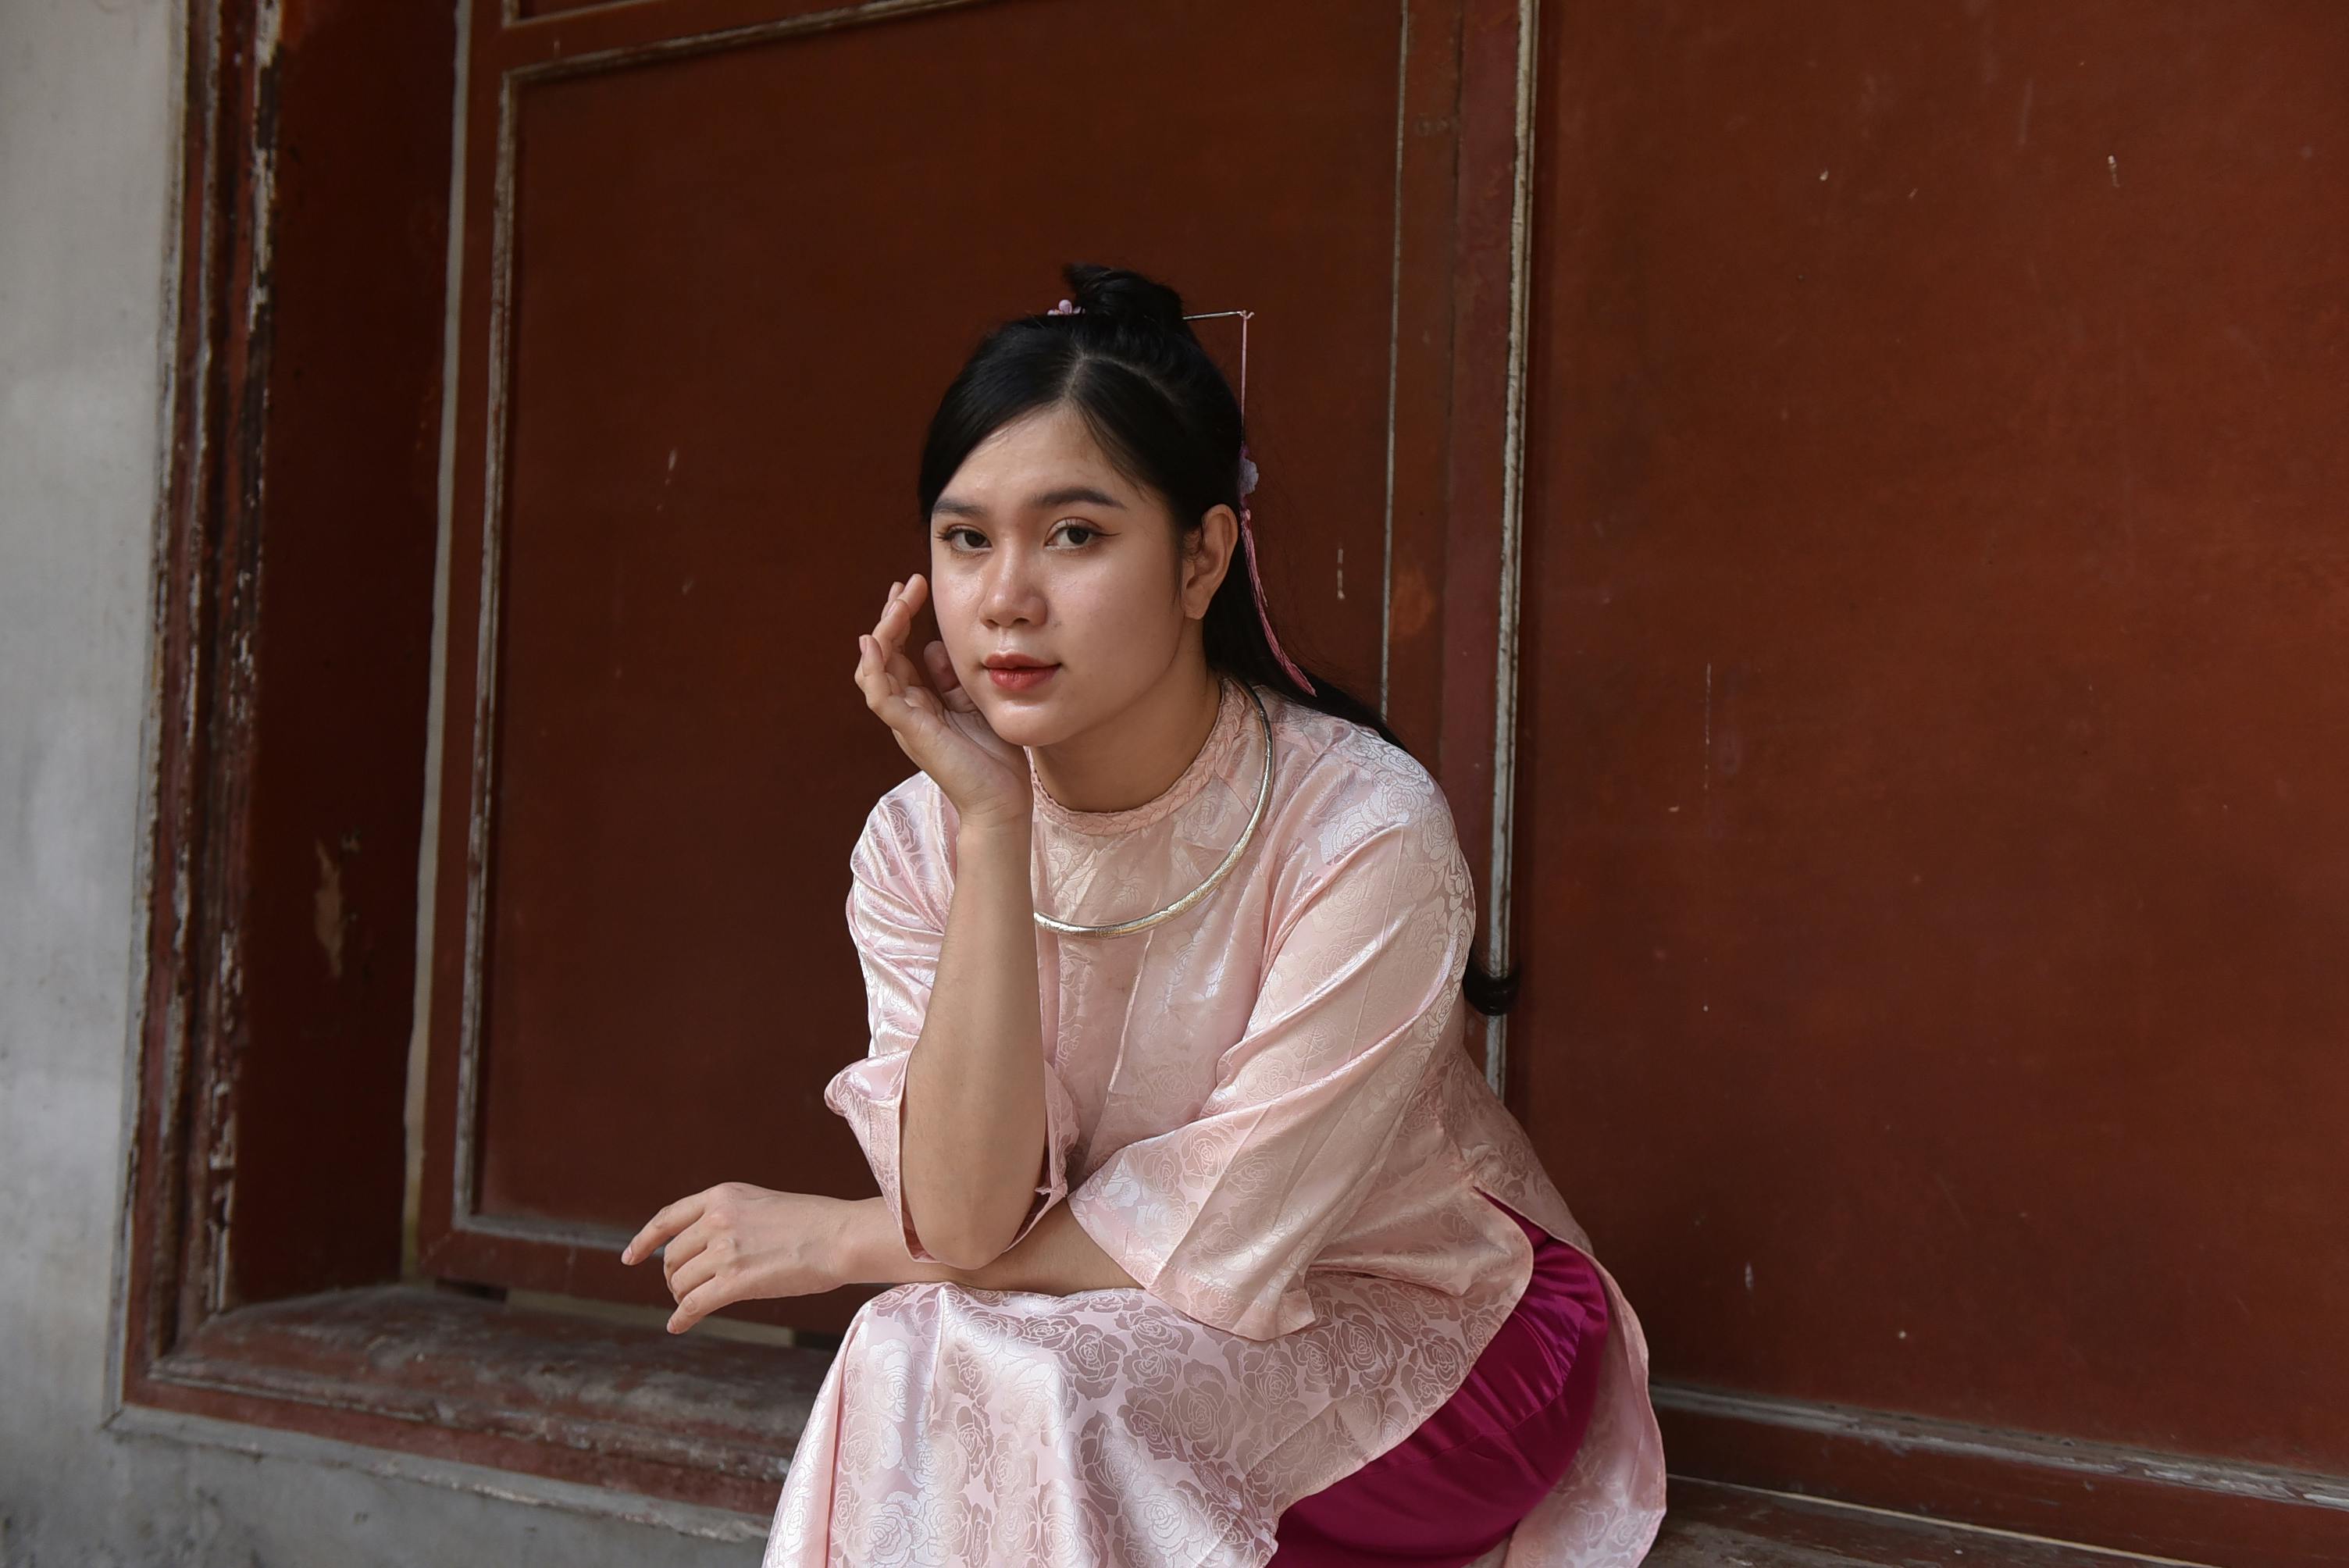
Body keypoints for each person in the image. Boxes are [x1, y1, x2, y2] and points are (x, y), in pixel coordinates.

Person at [622, 263, 1666, 1566]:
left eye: (1074, 534)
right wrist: (994, 826)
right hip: (1131, 1315)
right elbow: (967, 1223)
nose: (1006, 596)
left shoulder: (1359, 829)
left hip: (1443, 1327)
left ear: (1202, 557)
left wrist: (843, 1238)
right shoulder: (918, 841)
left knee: (1012, 1370)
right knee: (916, 1340)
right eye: (966, 539)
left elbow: (1224, 1221)